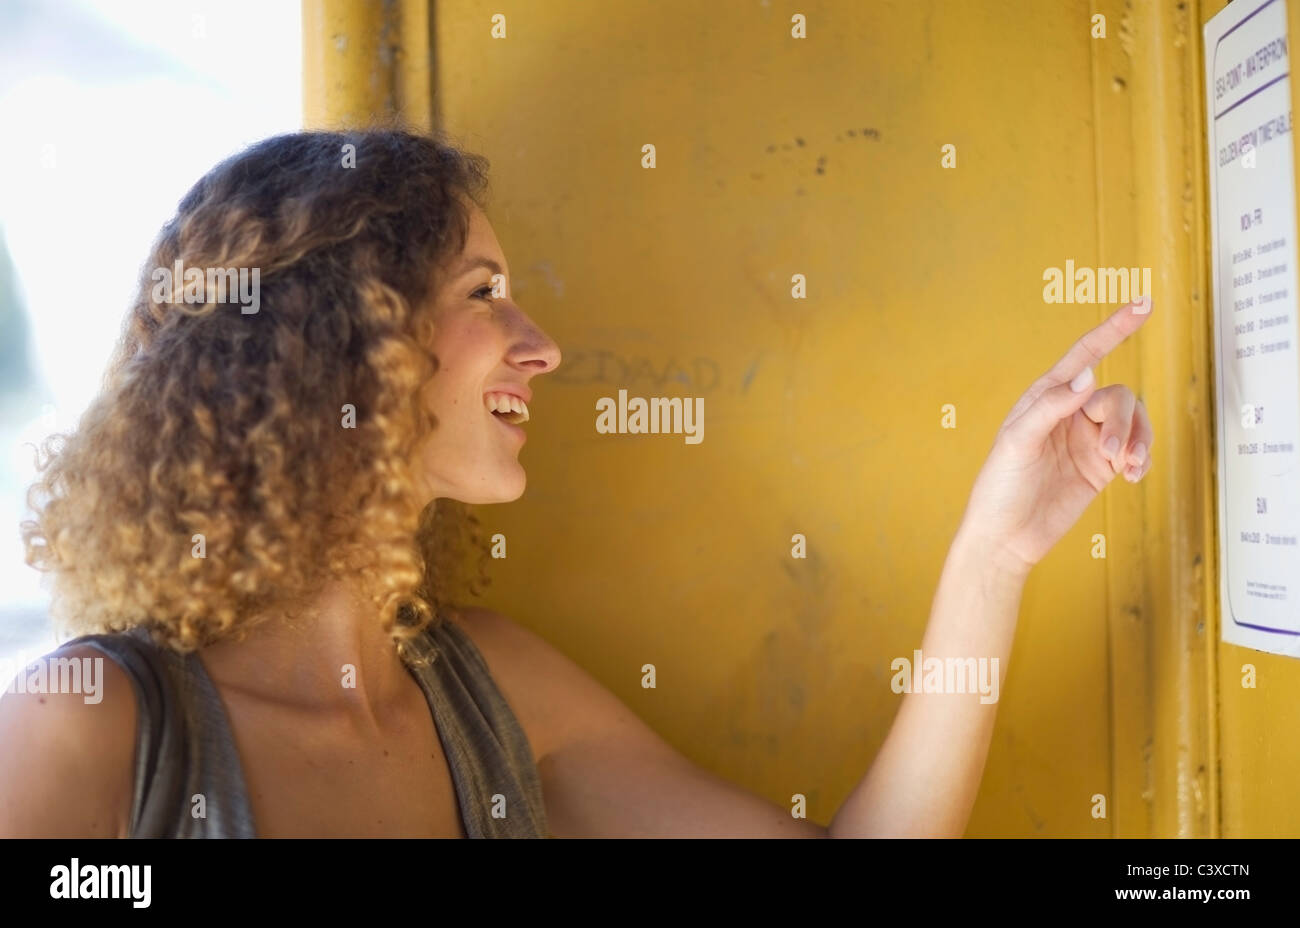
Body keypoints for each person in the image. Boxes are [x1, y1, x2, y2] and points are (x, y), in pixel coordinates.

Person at [0, 128, 1153, 838]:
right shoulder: (94, 731)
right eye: (483, 289)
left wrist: (992, 555)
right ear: (348, 343)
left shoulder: (496, 691)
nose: (541, 345)